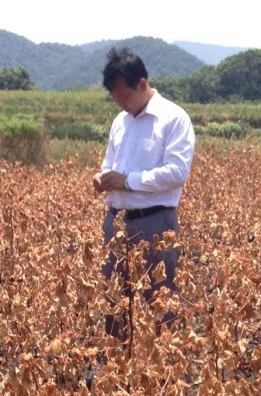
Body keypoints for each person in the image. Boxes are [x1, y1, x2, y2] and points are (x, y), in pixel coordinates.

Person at [93, 48, 195, 341]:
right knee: (114, 302)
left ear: (142, 84)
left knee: (161, 302)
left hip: (155, 224)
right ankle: (117, 362)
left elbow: (177, 172)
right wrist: (102, 178)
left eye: (125, 96)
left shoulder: (173, 118)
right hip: (116, 222)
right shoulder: (120, 122)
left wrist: (128, 181)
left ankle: (164, 366)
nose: (121, 104)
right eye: (115, 98)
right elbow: (109, 164)